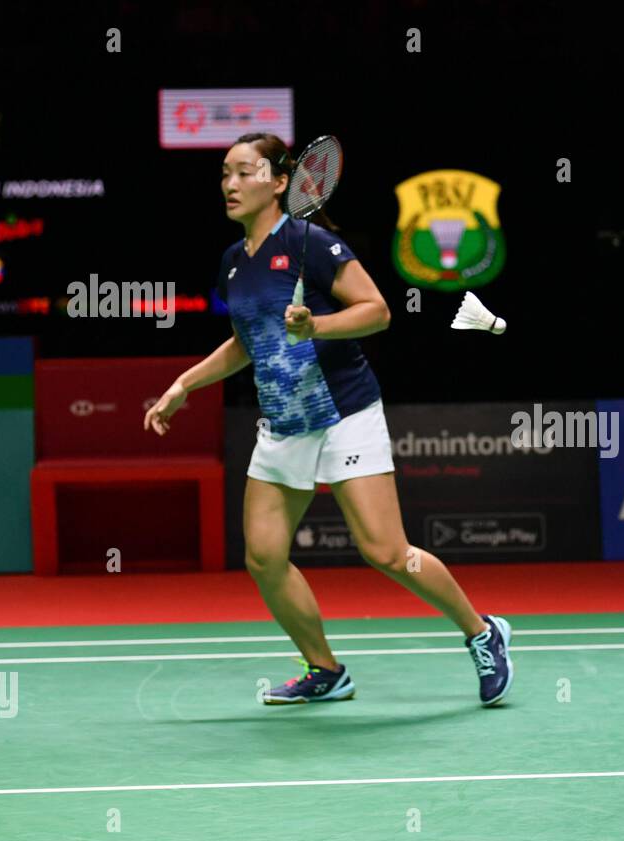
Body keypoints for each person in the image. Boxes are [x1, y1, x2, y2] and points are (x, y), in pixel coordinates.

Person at [144, 132, 512, 707]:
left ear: (280, 182)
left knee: (386, 552)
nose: (231, 184)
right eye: (224, 174)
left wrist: (316, 325)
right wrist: (184, 384)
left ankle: (482, 631)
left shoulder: (311, 242)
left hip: (344, 411)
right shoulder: (233, 265)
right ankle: (325, 669)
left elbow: (377, 312)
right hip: (284, 420)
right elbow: (248, 342)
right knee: (263, 558)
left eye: (244, 172)